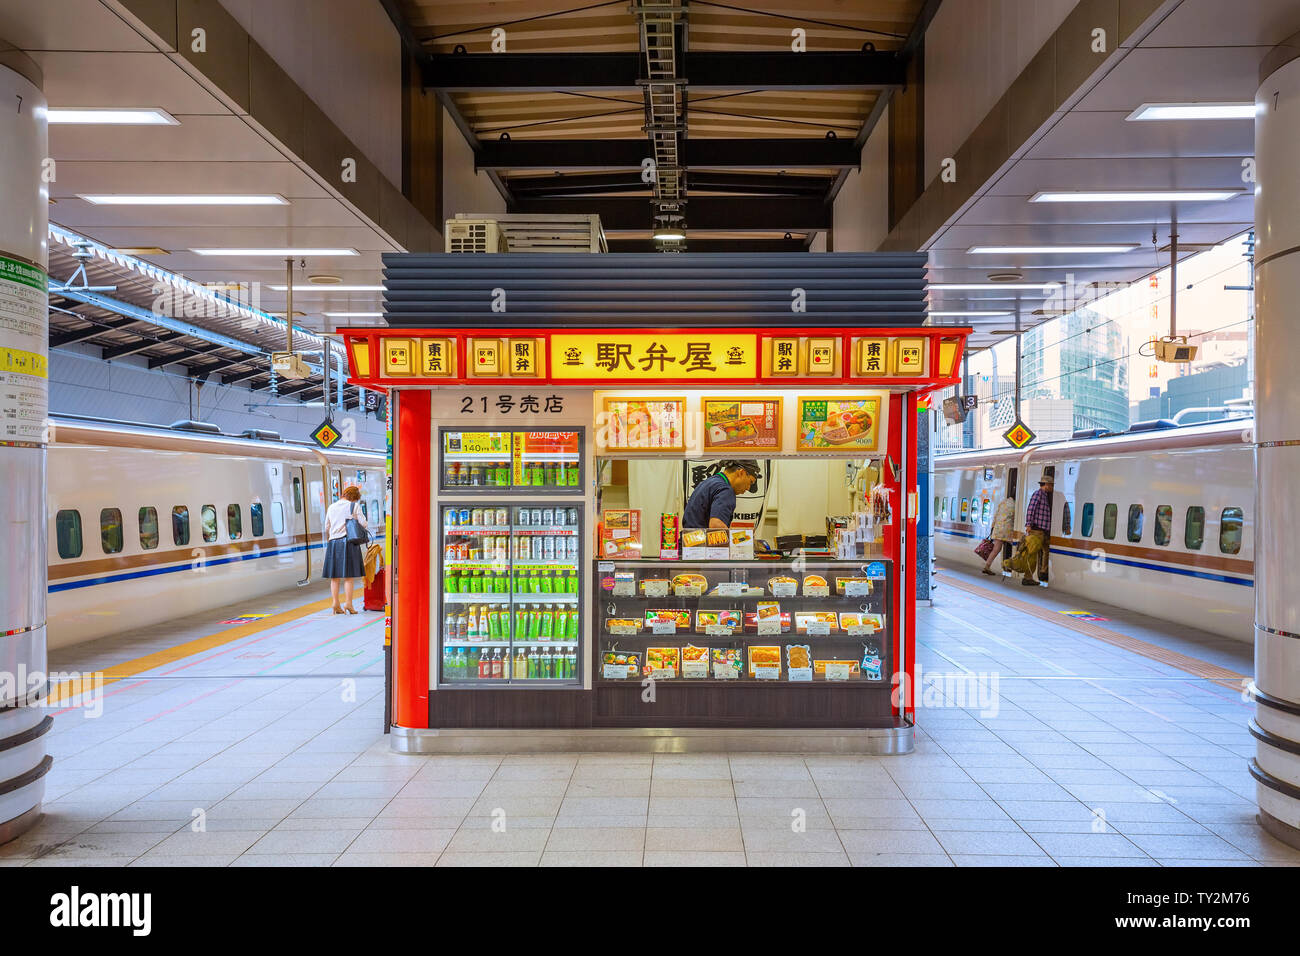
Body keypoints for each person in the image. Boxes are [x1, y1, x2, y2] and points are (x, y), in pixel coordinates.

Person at [323, 484, 368, 613]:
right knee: (349, 576)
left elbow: (327, 526)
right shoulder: (354, 506)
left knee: (334, 577)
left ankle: (335, 603)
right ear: (354, 497)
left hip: (333, 543)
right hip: (349, 543)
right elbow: (364, 523)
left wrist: (331, 538)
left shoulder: (331, 507)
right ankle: (348, 604)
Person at [682, 460, 762, 529]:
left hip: (689, 542)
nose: (748, 488)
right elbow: (716, 525)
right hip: (700, 545)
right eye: (750, 482)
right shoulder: (725, 490)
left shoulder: (710, 482)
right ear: (741, 473)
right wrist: (738, 539)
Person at [1017, 475, 1054, 586]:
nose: (1052, 487)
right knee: (1033, 554)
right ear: (1046, 485)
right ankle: (1028, 577)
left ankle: (1043, 571)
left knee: (1046, 550)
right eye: (1051, 485)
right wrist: (1028, 524)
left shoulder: (1045, 496)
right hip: (1036, 530)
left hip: (1043, 531)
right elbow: (1030, 509)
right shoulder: (1038, 494)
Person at [982, 492, 1016, 575]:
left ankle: (987, 566)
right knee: (1016, 546)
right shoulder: (1015, 505)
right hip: (1007, 530)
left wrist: (992, 527)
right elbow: (1015, 517)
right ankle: (1014, 567)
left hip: (997, 529)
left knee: (996, 549)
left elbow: (995, 515)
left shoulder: (1002, 503)